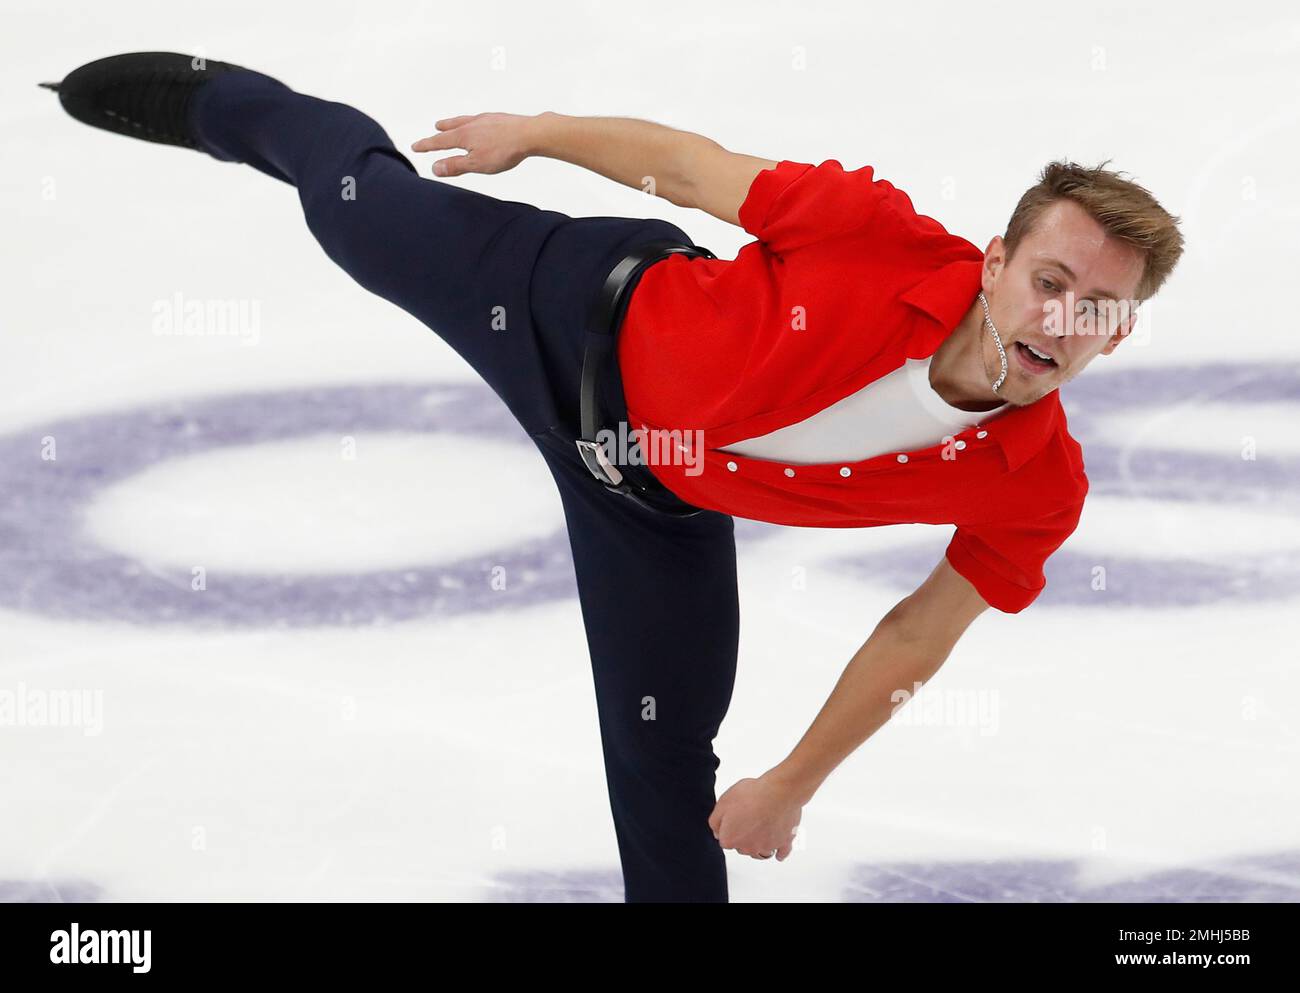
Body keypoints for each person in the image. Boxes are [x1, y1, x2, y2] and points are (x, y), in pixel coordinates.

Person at [43, 52, 1184, 903]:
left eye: (1096, 311)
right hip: (559, 307)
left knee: (660, 762)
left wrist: (791, 780)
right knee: (355, 212)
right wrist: (531, 132)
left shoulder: (1034, 487)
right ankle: (226, 105)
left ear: (1118, 336)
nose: (1058, 321)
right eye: (1046, 280)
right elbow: (691, 172)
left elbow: (915, 635)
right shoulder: (874, 235)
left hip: (650, 504)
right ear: (993, 263)